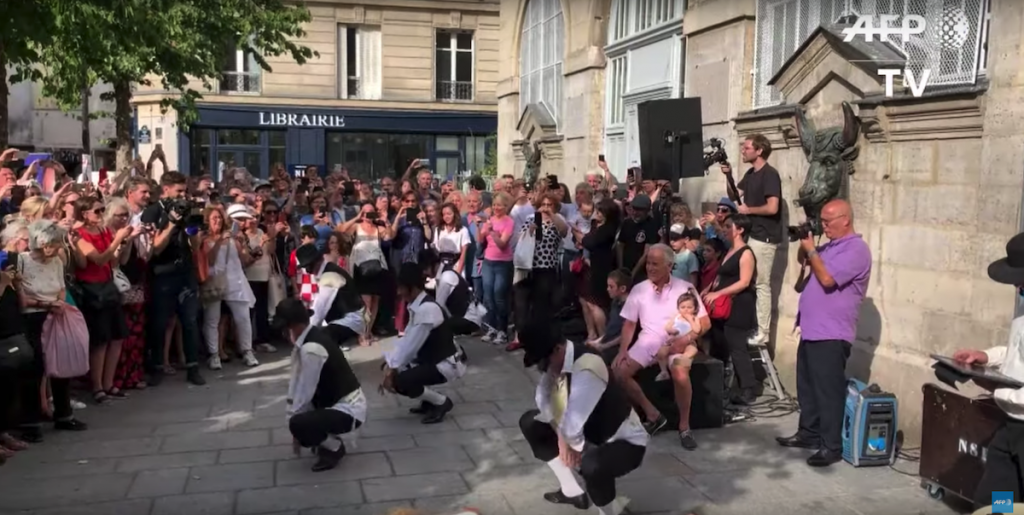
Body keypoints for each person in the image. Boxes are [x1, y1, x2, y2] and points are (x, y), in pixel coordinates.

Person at [776, 200, 870, 468]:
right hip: (812, 329)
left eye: (828, 222)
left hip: (832, 332)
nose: (825, 226)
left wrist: (812, 252)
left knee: (828, 391)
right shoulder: (828, 246)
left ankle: (831, 446)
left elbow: (828, 279)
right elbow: (807, 263)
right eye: (823, 222)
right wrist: (806, 247)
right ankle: (809, 433)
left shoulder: (856, 250)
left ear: (846, 220)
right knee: (807, 387)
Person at [518, 321, 647, 515]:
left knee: (592, 465)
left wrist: (571, 448)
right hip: (586, 434)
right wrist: (562, 439)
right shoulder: (556, 361)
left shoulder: (587, 367)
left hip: (622, 441)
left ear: (558, 348)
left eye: (543, 362)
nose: (542, 368)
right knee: (530, 422)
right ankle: (572, 491)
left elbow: (572, 426)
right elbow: (542, 399)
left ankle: (610, 512)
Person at [613, 244, 710, 450]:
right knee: (619, 372)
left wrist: (687, 338)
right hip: (648, 341)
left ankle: (684, 427)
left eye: (655, 264)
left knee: (680, 372)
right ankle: (654, 415)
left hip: (678, 342)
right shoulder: (639, 289)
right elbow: (629, 323)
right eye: (648, 262)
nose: (650, 267)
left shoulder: (685, 287)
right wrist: (622, 350)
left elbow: (705, 323)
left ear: (669, 265)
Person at [275, 298, 366, 472]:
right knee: (301, 423)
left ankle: (334, 448)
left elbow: (304, 392)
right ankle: (322, 435)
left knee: (299, 424)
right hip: (335, 401)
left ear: (292, 326)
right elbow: (298, 384)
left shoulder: (312, 349)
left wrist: (295, 425)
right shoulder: (313, 337)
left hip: (348, 409)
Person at [380, 263, 467, 424]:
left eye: (402, 288)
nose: (399, 293)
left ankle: (441, 402)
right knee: (394, 367)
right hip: (432, 359)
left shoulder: (427, 309)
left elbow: (411, 346)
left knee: (400, 380)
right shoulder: (418, 305)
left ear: (412, 288)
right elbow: (406, 340)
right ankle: (428, 402)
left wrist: (391, 370)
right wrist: (390, 361)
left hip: (445, 364)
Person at [141, 171, 205, 386]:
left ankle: (193, 367)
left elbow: (195, 247)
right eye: (178, 191)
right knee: (160, 323)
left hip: (185, 272)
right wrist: (170, 223)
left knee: (190, 321)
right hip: (162, 274)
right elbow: (155, 249)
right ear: (165, 189)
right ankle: (157, 366)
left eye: (184, 191)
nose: (182, 195)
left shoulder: (186, 208)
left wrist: (193, 226)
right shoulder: (151, 212)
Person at [721, 134, 783, 346]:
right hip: (751, 233)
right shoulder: (750, 174)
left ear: (759, 150)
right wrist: (728, 175)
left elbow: (773, 207)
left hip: (764, 236)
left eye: (747, 148)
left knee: (761, 283)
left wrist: (749, 209)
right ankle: (751, 324)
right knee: (749, 280)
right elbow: (732, 195)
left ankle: (763, 332)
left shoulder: (770, 175)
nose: (743, 151)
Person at [703, 214, 759, 405]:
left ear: (740, 229)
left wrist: (718, 294)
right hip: (722, 307)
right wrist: (706, 291)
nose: (724, 229)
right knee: (719, 344)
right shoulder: (730, 251)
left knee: (737, 347)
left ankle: (748, 388)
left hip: (739, 306)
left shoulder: (746, 253)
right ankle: (720, 386)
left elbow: (744, 282)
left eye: (728, 226)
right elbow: (721, 278)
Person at [294, 243, 366, 351]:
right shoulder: (328, 270)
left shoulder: (330, 276)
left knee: (318, 340)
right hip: (344, 317)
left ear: (318, 260)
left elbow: (319, 310)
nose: (308, 271)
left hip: (351, 319)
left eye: (309, 266)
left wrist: (305, 333)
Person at [418, 249, 485, 335]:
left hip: (470, 320)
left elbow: (438, 308)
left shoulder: (446, 278)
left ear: (433, 264)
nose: (424, 272)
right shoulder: (445, 273)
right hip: (466, 317)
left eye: (425, 268)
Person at [656, 292, 701, 382]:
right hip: (673, 342)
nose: (686, 310)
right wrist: (671, 330)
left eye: (689, 307)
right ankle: (664, 371)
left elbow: (697, 330)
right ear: (678, 308)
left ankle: (683, 360)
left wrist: (690, 320)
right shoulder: (677, 317)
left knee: (692, 350)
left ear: (695, 309)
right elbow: (667, 327)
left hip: (688, 343)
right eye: (683, 307)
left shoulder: (695, 318)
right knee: (661, 352)